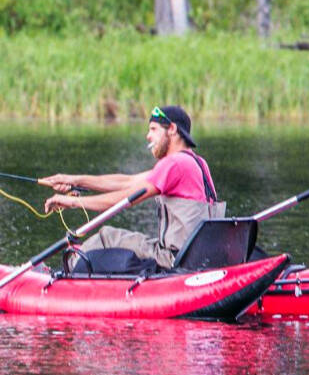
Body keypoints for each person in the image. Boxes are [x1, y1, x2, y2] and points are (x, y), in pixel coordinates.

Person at [38, 105, 225, 271]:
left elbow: (125, 198)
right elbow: (127, 182)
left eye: (153, 129)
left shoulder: (174, 164)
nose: (148, 135)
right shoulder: (196, 161)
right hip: (199, 256)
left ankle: (63, 277)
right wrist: (73, 180)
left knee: (107, 237)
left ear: (173, 129)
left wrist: (72, 202)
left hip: (175, 258)